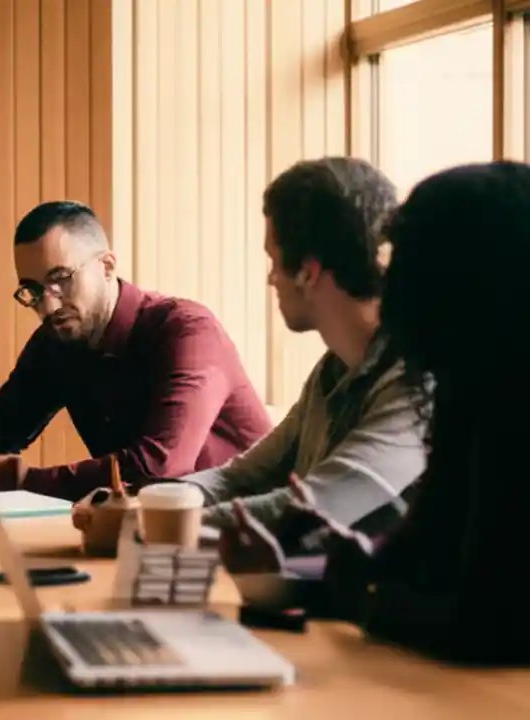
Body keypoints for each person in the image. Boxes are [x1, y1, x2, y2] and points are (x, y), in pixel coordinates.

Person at [221, 161, 530, 663]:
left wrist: (348, 584)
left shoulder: (500, 411)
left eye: (411, 259)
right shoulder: (464, 394)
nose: (393, 279)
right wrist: (314, 566)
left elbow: (487, 623)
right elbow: (423, 556)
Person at [0, 200, 271, 501]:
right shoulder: (56, 341)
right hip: (145, 533)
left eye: (61, 278)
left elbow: (160, 468)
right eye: (33, 289)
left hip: (254, 537)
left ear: (106, 266)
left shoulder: (187, 329)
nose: (48, 303)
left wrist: (13, 480)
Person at [175, 158, 429, 537]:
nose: (270, 279)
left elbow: (313, 509)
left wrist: (161, 520)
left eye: (273, 262)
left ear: (307, 273)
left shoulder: (415, 379)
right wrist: (145, 502)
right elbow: (240, 477)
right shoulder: (332, 369)